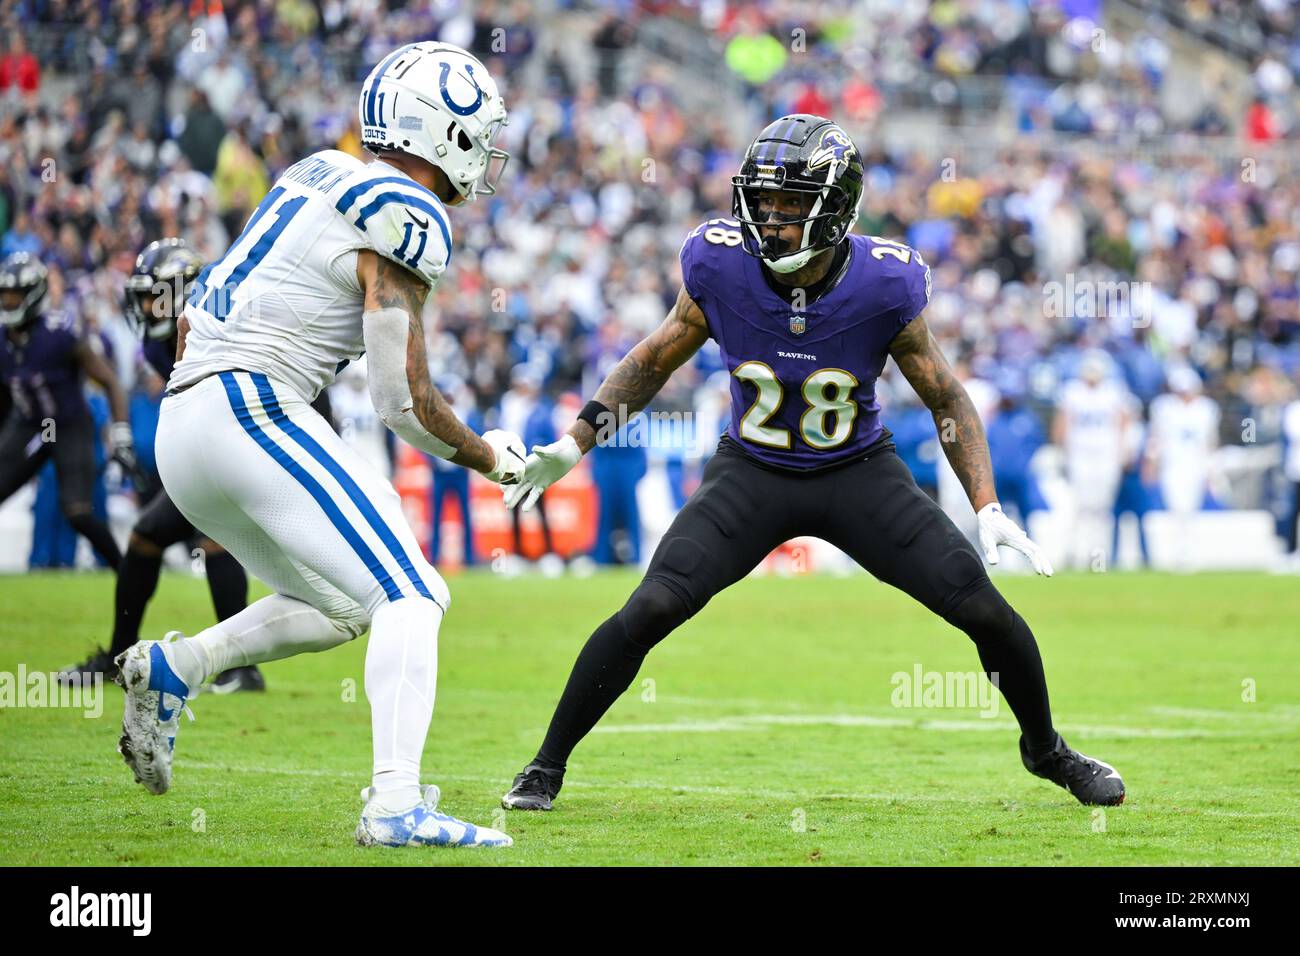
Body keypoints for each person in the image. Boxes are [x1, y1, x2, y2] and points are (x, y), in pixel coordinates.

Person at [499, 115, 1125, 813]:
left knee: (987, 610)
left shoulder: (884, 285)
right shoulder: (718, 264)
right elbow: (651, 360)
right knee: (650, 606)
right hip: (754, 471)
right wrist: (576, 440)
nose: (771, 217)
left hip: (857, 471)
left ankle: (1046, 751)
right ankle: (544, 766)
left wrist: (985, 506)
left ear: (835, 208)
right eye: (764, 201)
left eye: (791, 203)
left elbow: (945, 394)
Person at [114, 42, 526, 849]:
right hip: (248, 406)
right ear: (446, 134)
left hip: (186, 422)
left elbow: (196, 318)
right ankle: (395, 804)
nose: (488, 154)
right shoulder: (408, 213)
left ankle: (179, 668)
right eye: (480, 134)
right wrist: (488, 455)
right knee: (414, 594)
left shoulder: (317, 171)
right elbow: (397, 398)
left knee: (341, 606)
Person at [59, 240, 262, 692]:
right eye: (144, 296)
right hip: (213, 448)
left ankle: (242, 668)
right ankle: (119, 655)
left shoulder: (230, 325)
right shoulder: (158, 344)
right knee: (146, 537)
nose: (148, 307)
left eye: (157, 295)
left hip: (255, 443)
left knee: (214, 538)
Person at [0, 252, 131, 570]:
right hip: (29, 422)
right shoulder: (3, 340)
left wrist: (121, 433)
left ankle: (125, 572)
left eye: (15, 296)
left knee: (78, 513)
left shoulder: (61, 333)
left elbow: (110, 380)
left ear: (33, 296)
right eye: (4, 295)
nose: (8, 303)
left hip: (69, 425)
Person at [1053, 351, 1130, 570]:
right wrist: (1061, 451)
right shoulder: (1072, 392)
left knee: (1101, 509)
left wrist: (1123, 451)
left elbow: (1123, 422)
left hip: (1105, 457)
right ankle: (1073, 554)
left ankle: (1097, 557)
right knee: (1078, 507)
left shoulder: (1113, 392)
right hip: (1080, 456)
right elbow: (1063, 422)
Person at [1146, 367, 1219, 571]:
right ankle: (1178, 553)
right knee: (1177, 508)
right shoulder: (1163, 407)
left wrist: (1212, 471)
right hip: (1172, 465)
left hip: (1196, 465)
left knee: (1190, 510)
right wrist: (1151, 464)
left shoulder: (1206, 409)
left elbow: (1210, 442)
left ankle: (1188, 553)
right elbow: (1155, 439)